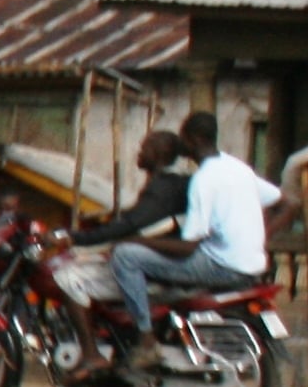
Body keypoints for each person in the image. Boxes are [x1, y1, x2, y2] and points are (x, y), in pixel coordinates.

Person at [113, 109, 281, 366]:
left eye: (184, 136)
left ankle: (146, 340)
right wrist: (261, 238)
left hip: (221, 266)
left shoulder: (203, 180)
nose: (181, 143)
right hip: (253, 263)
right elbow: (285, 201)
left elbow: (187, 247)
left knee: (126, 256)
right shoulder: (237, 167)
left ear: (194, 139)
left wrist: (137, 241)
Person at [54, 131, 189, 374]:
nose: (140, 152)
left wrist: (75, 237)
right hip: (160, 262)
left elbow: (130, 224)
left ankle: (91, 355)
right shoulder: (168, 185)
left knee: (68, 277)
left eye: (144, 148)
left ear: (158, 154)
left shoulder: (162, 188)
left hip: (154, 269)